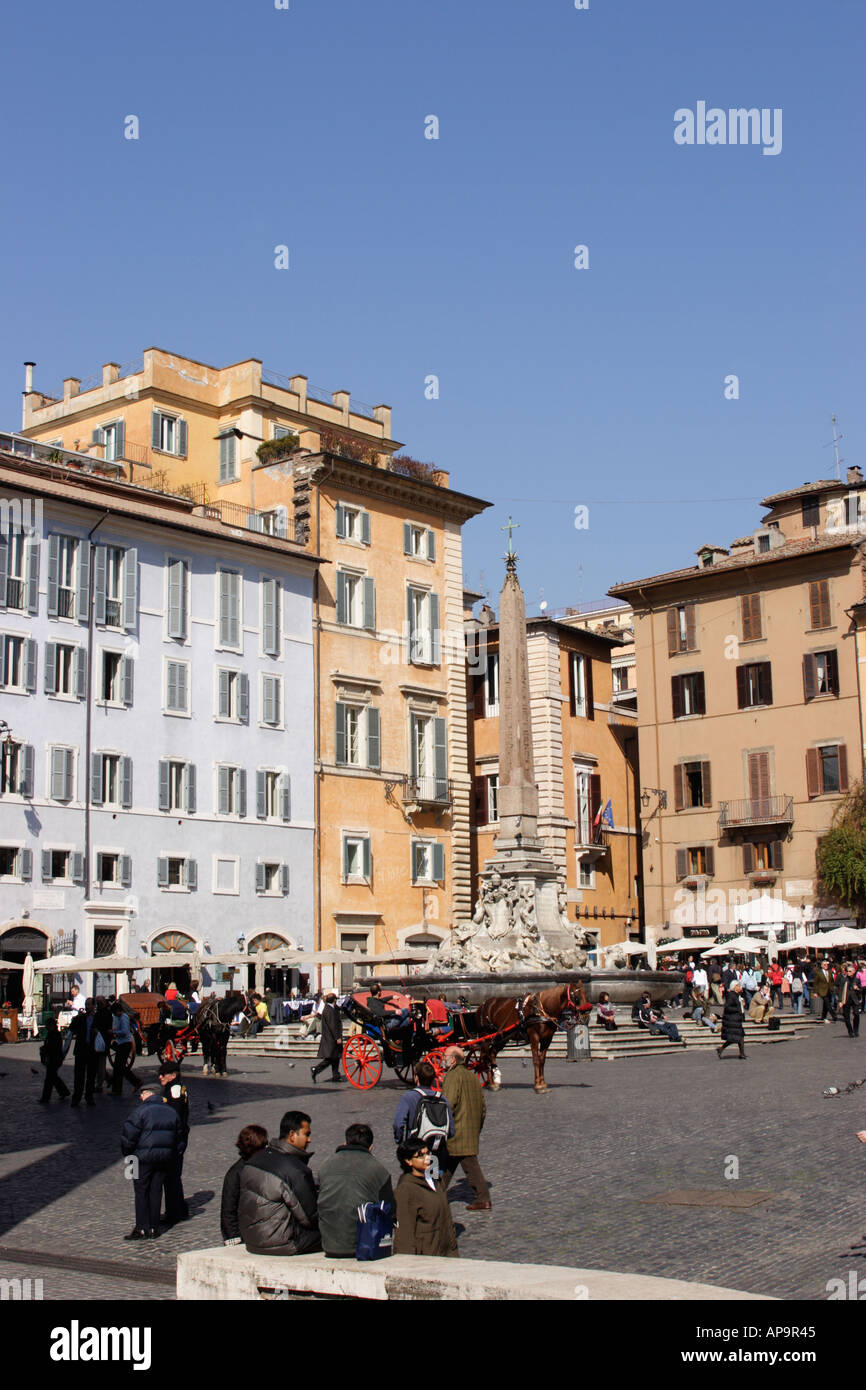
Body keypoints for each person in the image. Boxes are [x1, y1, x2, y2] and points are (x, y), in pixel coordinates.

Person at [238, 1110, 321, 1256]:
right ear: (292, 1135)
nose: (309, 1140)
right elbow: (310, 1218)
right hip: (282, 1243)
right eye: (306, 1134)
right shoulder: (294, 1170)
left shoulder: (255, 1160)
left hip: (252, 1241)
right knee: (337, 1232)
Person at [316, 1123, 395, 1259]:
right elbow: (390, 1210)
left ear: (346, 1142)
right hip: (363, 1246)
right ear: (371, 1147)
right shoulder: (379, 1170)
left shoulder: (325, 1166)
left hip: (329, 1246)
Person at [120, 1087, 186, 1240]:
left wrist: (128, 1153)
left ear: (148, 1094)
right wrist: (173, 1154)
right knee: (156, 1191)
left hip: (141, 1158)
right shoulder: (171, 1112)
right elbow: (179, 1137)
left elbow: (129, 1136)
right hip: (164, 1158)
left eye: (142, 1094)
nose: (140, 1097)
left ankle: (141, 1227)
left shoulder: (140, 1111)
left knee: (141, 1190)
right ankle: (154, 1227)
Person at [440, 1046, 491, 1210]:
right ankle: (436, 1195)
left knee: (468, 1165)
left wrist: (442, 1125)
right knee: (447, 1166)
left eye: (445, 1055)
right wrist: (477, 1126)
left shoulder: (453, 1076)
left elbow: (448, 1103)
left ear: (453, 1059)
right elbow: (483, 1107)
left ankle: (483, 1198)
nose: (443, 1058)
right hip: (469, 1129)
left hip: (457, 1131)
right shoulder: (472, 1076)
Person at [393, 1138, 458, 1258]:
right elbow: (404, 1234)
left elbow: (446, 1219)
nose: (427, 1158)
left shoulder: (436, 1182)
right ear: (408, 1161)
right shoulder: (406, 1190)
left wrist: (453, 1248)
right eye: (420, 1156)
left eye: (428, 1153)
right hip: (425, 1259)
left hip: (446, 1254)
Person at [392, 1060, 454, 1178]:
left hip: (415, 1150)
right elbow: (451, 1130)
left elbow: (398, 1124)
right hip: (436, 1151)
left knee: (415, 1186)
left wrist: (399, 1141)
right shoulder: (442, 1098)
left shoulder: (409, 1097)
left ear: (416, 1078)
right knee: (434, 1185)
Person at [221, 1124, 269, 1245]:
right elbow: (228, 1211)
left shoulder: (265, 1166)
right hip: (245, 1237)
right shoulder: (235, 1174)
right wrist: (234, 1239)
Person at [159, 1064, 190, 1224]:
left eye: (163, 1074)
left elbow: (175, 1114)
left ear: (173, 1075)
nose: (160, 1077)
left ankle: (175, 1212)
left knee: (172, 1176)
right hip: (178, 1136)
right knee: (173, 1175)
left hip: (175, 1137)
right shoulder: (175, 1087)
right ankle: (179, 1207)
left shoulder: (175, 1089)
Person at [69, 997, 101, 1107]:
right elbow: (72, 1028)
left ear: (93, 1006)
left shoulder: (97, 1018)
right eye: (86, 1005)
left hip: (92, 1050)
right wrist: (77, 1017)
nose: (87, 1007)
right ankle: (76, 1097)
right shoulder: (81, 1018)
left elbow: (104, 1030)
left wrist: (97, 1032)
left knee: (91, 1076)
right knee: (79, 1075)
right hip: (81, 1050)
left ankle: (89, 1096)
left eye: (89, 1005)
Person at [311, 993, 344, 1083]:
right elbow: (332, 1025)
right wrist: (337, 1037)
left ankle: (336, 1075)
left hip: (331, 1038)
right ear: (334, 1000)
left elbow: (338, 1010)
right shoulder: (329, 1010)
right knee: (329, 1059)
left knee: (336, 1057)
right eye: (335, 1000)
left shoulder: (331, 1008)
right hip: (331, 1039)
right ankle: (315, 1069)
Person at [110, 1000, 140, 1095]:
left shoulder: (124, 1018)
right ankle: (119, 1087)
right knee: (120, 1067)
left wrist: (114, 1032)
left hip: (125, 1044)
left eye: (116, 1013)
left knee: (119, 1067)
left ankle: (119, 1088)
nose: (115, 1015)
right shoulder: (118, 1017)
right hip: (121, 1043)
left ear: (119, 1011)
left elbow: (125, 1031)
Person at [38, 1017, 70, 1104]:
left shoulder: (55, 1035)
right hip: (53, 1059)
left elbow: (53, 1048)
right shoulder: (52, 1034)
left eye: (47, 1025)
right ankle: (64, 1091)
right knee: (53, 1077)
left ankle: (46, 1097)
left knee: (49, 1079)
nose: (46, 1027)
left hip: (54, 1059)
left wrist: (44, 1049)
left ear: (51, 1025)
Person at [717, 981, 746, 1060]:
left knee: (740, 1037)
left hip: (736, 1019)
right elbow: (727, 1007)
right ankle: (721, 1049)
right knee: (734, 1038)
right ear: (734, 987)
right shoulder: (731, 995)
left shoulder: (737, 996)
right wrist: (737, 1009)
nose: (740, 987)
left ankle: (742, 1053)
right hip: (732, 1020)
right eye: (738, 986)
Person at [838, 963, 862, 1038]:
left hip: (854, 999)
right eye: (847, 971)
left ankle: (856, 1030)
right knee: (846, 1017)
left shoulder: (857, 980)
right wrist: (840, 1001)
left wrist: (857, 988)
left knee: (856, 1014)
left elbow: (861, 990)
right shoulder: (844, 980)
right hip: (846, 999)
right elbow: (840, 990)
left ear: (854, 972)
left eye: (850, 971)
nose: (848, 973)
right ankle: (850, 1031)